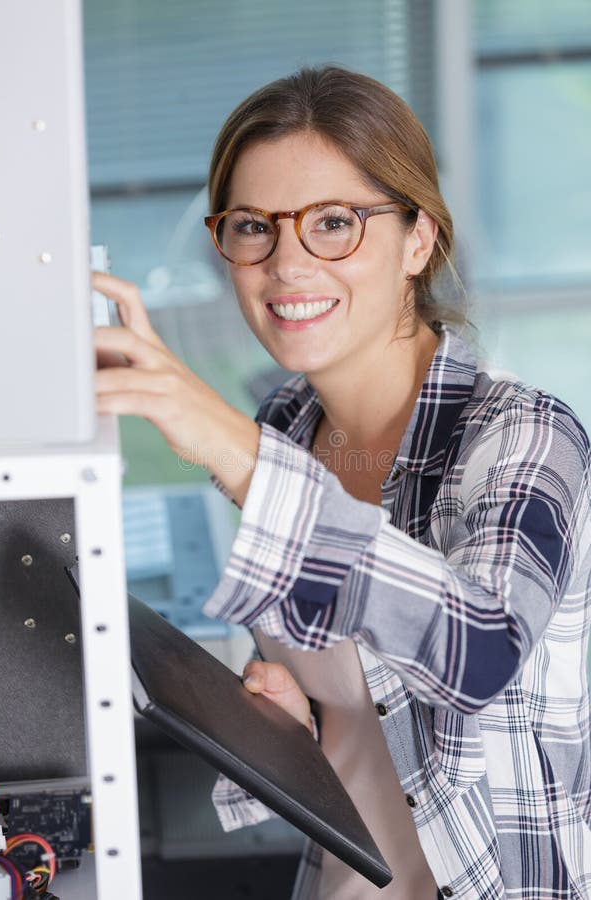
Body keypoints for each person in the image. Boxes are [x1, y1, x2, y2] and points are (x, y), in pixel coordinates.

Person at [94, 67, 591, 900]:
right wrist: (299, 722)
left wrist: (229, 443)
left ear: (419, 239)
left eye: (334, 222)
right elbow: (368, 713)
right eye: (254, 227)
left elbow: (482, 652)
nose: (287, 264)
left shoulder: (525, 434)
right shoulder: (289, 426)